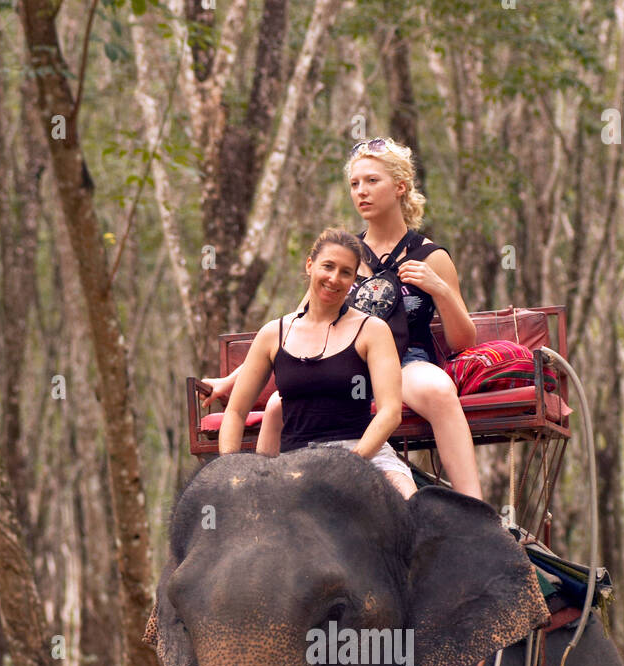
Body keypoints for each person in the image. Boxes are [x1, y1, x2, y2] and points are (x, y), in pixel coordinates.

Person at [205, 138, 483, 499]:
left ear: (400, 187)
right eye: (354, 184)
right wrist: (233, 379)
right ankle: (262, 503)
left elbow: (463, 341)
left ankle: (473, 507)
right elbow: (300, 326)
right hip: (341, 363)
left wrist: (440, 289)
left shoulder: (430, 255)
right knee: (276, 405)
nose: (361, 192)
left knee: (439, 389)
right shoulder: (344, 254)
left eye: (372, 181)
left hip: (402, 363)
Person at [218, 227, 415, 498]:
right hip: (295, 460)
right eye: (328, 266)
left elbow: (390, 412)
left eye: (346, 272)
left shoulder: (372, 330)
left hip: (363, 455)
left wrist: (351, 463)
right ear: (310, 265)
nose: (334, 278)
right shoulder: (273, 334)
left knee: (409, 502)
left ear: (353, 279)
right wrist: (230, 470)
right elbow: (236, 411)